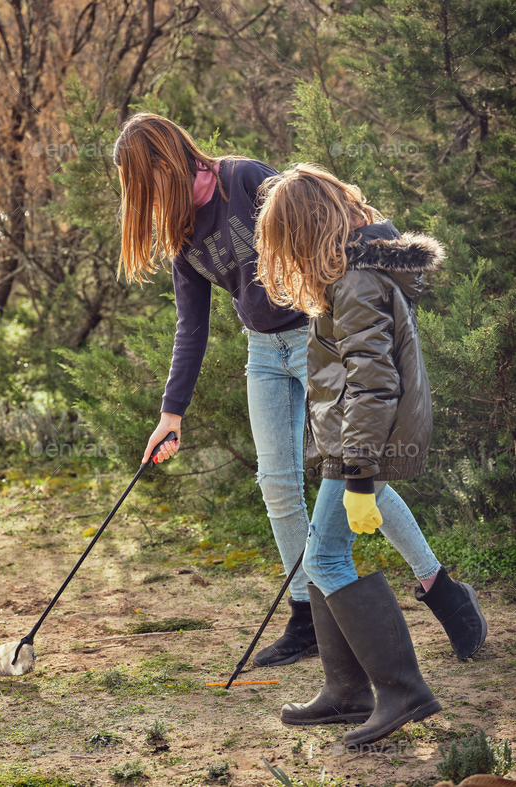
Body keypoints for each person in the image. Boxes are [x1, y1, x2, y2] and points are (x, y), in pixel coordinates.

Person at [112, 113, 485, 674]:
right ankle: (308, 615)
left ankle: (439, 587)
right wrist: (172, 412)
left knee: (358, 474)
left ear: (162, 165)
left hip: (318, 337)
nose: (139, 201)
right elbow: (191, 325)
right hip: (263, 352)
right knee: (277, 483)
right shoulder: (180, 234)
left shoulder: (243, 180)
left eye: (139, 185)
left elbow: (312, 224)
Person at [255, 163, 487, 744]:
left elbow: (373, 384)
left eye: (286, 241)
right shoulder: (352, 274)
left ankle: (400, 690)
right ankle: (347, 692)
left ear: (307, 231)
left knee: (326, 557)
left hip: (364, 444)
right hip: (354, 440)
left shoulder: (356, 282)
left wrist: (358, 474)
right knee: (321, 552)